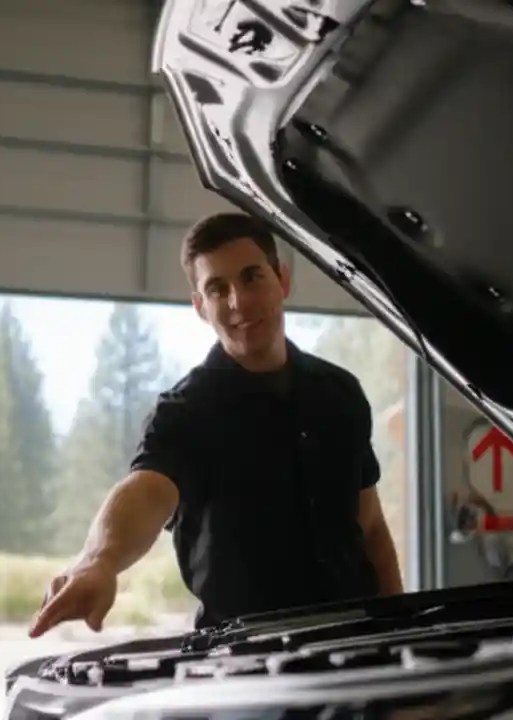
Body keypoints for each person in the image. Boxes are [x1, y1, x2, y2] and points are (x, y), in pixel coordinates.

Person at [29, 212, 404, 636]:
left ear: (282, 279)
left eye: (251, 277)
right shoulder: (186, 412)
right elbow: (148, 493)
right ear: (199, 307)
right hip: (244, 667)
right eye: (217, 288)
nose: (237, 301)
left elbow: (369, 525)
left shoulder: (341, 393)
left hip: (357, 649)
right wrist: (99, 560)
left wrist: (399, 628)